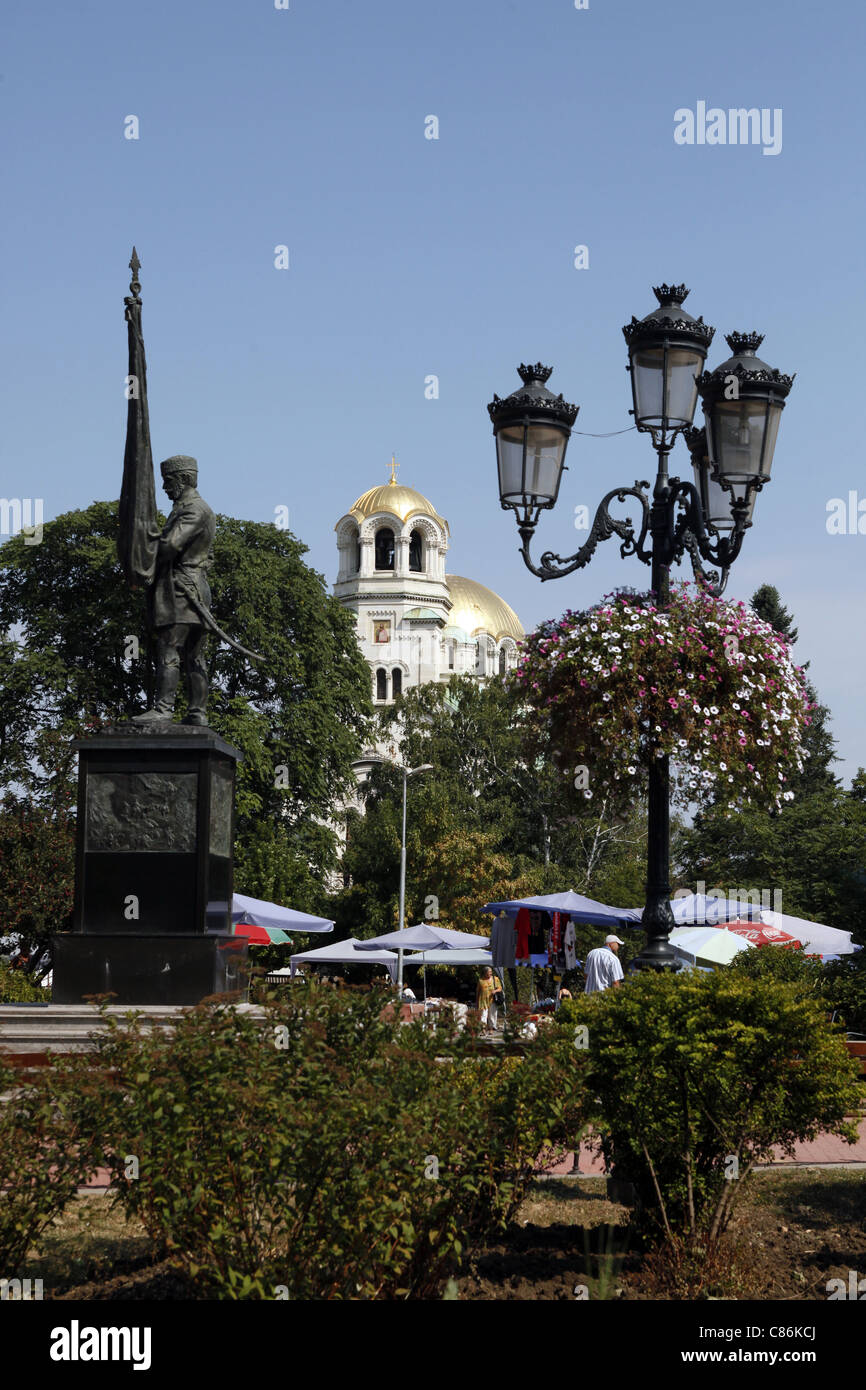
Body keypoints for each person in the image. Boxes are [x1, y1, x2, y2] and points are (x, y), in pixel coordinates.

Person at [476, 966, 503, 1031]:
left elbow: (500, 988)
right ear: (485, 973)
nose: (491, 973)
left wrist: (495, 991)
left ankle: (491, 1028)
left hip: (492, 1000)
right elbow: (478, 991)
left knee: (492, 1015)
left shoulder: (495, 979)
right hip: (483, 1001)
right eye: (489, 972)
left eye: (491, 971)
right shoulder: (481, 981)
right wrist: (477, 1001)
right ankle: (483, 1029)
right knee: (483, 1015)